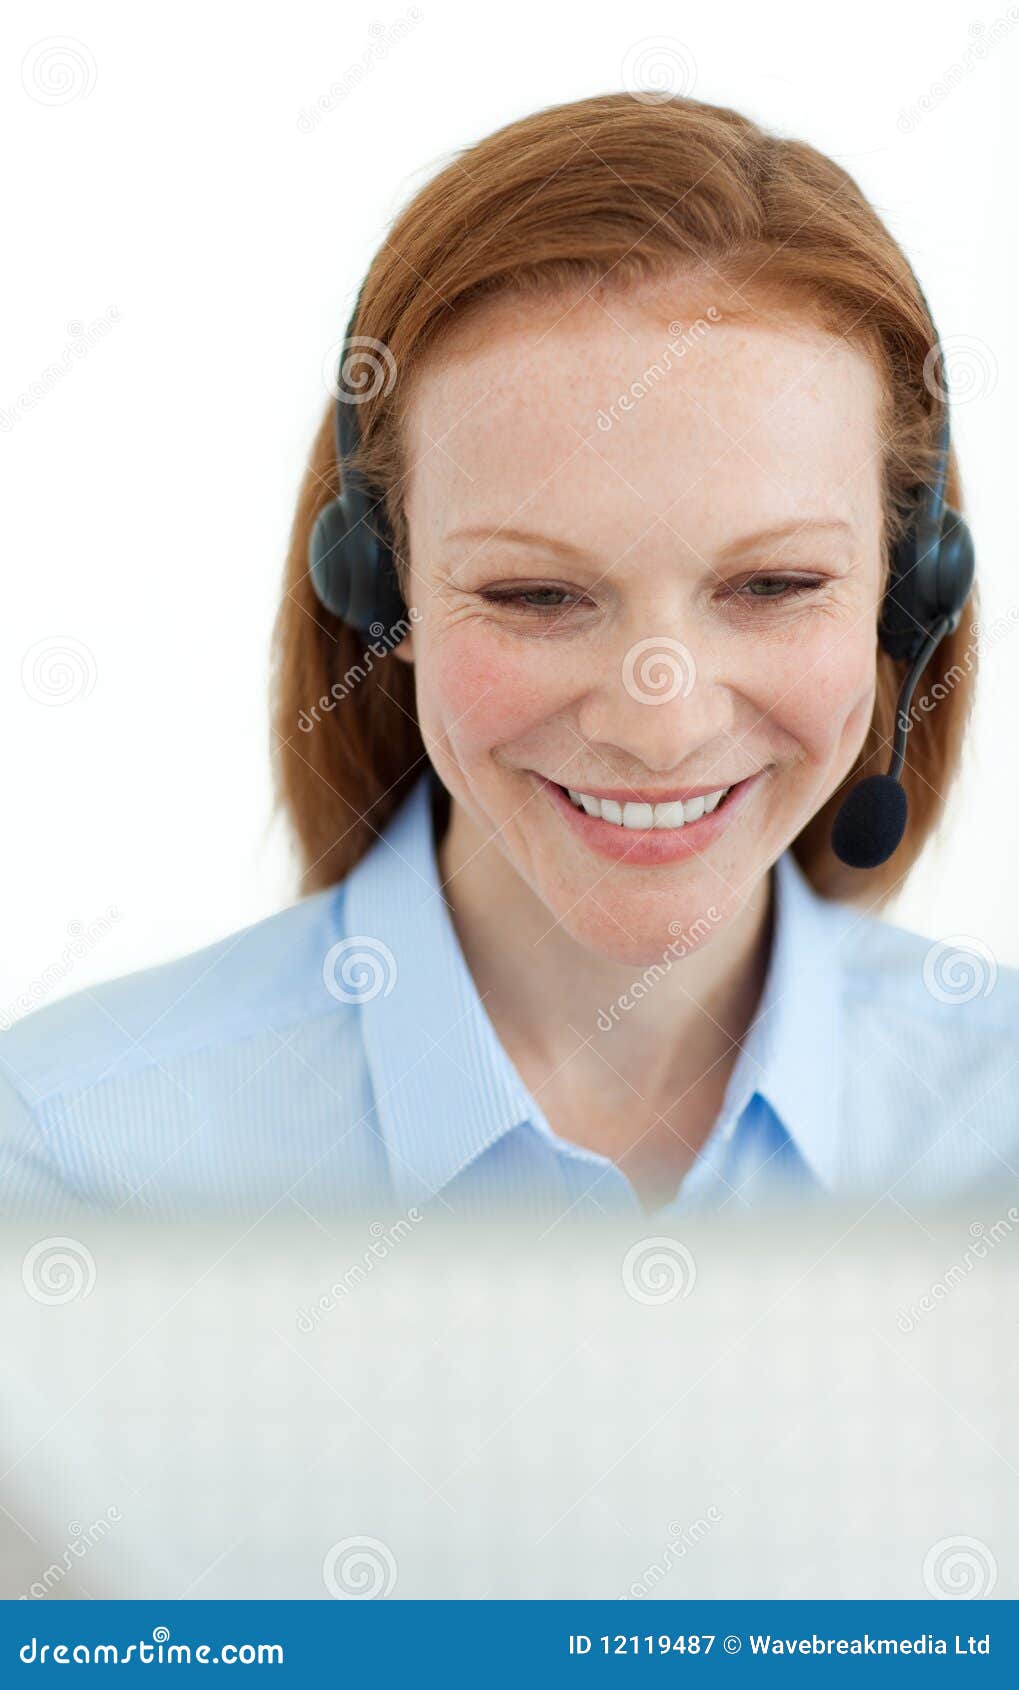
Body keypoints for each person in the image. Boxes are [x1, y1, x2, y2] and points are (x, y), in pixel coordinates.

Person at [2, 91, 1016, 1223]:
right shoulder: (71, 1164)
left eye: (772, 586)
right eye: (535, 594)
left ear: (909, 591)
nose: (660, 721)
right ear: (378, 588)